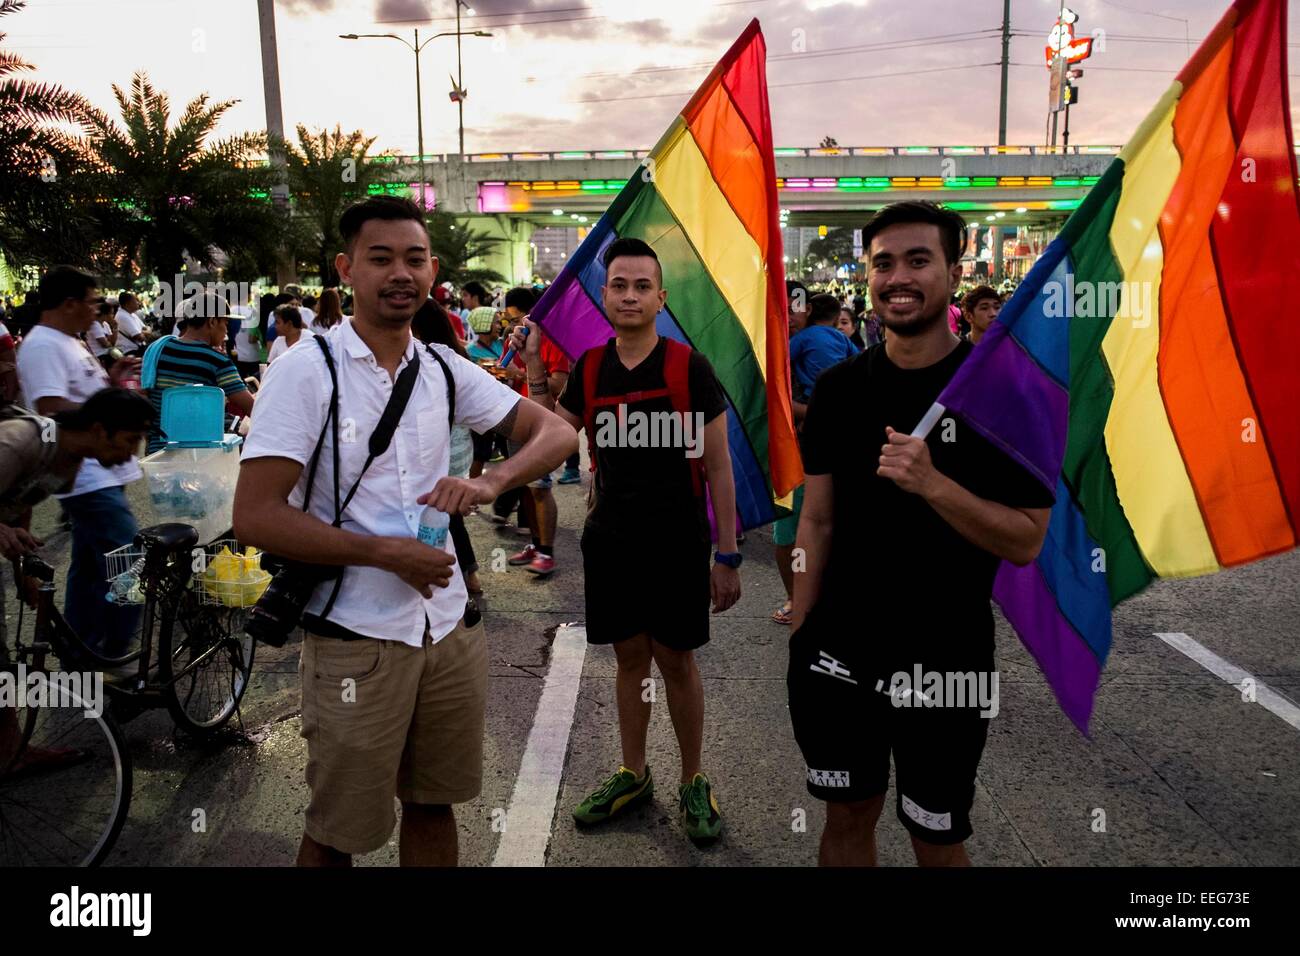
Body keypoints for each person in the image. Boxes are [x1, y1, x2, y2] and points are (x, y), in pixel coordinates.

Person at [233, 195, 575, 868]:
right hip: (355, 638)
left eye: (414, 259)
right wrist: (379, 552)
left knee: (433, 803)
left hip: (446, 629)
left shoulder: (442, 368)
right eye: (380, 258)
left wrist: (487, 484)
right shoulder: (307, 370)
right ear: (346, 270)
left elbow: (557, 431)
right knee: (339, 831)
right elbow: (256, 514)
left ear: (433, 271)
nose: (400, 274)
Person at [787, 201, 1053, 867]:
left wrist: (933, 483)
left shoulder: (1002, 395)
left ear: (954, 272)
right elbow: (816, 519)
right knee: (846, 816)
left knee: (934, 834)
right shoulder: (841, 389)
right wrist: (802, 622)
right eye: (883, 263)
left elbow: (1025, 539)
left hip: (947, 654)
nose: (897, 277)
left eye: (918, 260)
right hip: (839, 647)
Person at [512, 237, 742, 844]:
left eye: (643, 286)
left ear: (661, 298)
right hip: (611, 540)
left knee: (676, 661)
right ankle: (633, 772)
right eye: (620, 285)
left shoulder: (689, 368)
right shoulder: (589, 367)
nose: (631, 295)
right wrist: (533, 364)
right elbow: (556, 433)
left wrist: (727, 554)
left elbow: (719, 467)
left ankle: (693, 777)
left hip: (676, 542)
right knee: (629, 659)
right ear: (605, 295)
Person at [0, 388, 155, 770]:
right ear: (100, 430)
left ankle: (9, 751)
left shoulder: (68, 463)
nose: (133, 453)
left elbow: (20, 501)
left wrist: (23, 573)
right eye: (130, 440)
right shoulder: (21, 441)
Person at [16, 266, 144, 659]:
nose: (97, 309)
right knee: (129, 561)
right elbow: (50, 408)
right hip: (88, 476)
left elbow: (83, 397)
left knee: (90, 566)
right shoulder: (43, 346)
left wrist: (110, 379)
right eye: (92, 301)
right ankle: (115, 650)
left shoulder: (70, 340)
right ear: (69, 303)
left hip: (102, 470)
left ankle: (81, 648)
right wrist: (113, 409)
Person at [770, 292, 857, 627]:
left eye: (797, 309)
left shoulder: (808, 341)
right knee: (786, 533)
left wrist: (811, 411)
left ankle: (812, 598)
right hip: (788, 456)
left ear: (808, 311)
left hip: (828, 454)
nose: (791, 316)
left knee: (826, 528)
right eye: (784, 310)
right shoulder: (778, 345)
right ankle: (797, 597)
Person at [411, 298, 482, 596]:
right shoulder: (459, 355)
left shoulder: (427, 361)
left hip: (440, 454)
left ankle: (458, 575)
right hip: (460, 450)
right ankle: (468, 574)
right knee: (448, 514)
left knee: (443, 514)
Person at [140, 292, 255, 454]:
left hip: (157, 451)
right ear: (212, 322)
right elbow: (252, 408)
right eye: (226, 323)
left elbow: (145, 396)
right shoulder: (217, 361)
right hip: (196, 455)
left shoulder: (157, 349)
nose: (226, 331)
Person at [501, 286, 562, 577]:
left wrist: (525, 370)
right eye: (509, 320)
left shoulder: (551, 341)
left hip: (541, 423)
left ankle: (547, 551)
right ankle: (536, 545)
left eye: (516, 319)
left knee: (540, 487)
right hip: (513, 418)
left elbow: (560, 384)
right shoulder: (513, 340)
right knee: (526, 486)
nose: (512, 326)